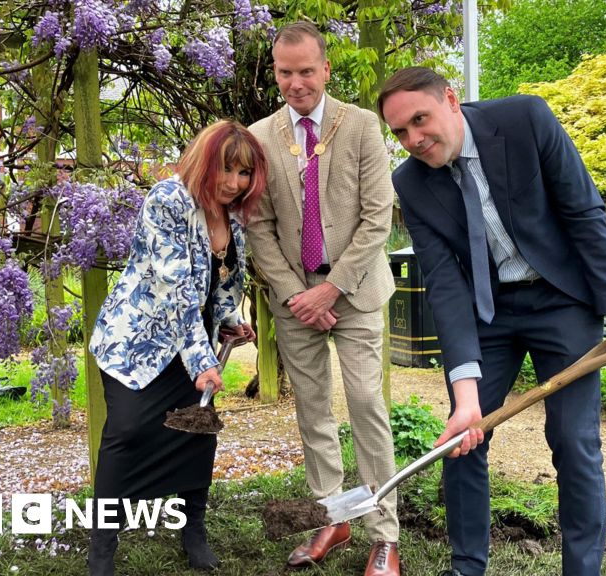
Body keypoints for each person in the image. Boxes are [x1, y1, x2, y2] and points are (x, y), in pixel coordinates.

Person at [378, 67, 606, 576]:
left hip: (561, 301)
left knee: (574, 441)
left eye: (420, 119)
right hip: (487, 310)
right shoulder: (410, 183)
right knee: (462, 439)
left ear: (451, 101)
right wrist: (465, 398)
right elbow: (443, 280)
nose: (413, 139)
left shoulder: (526, 119)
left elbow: (583, 213)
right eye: (400, 131)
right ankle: (466, 568)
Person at [246, 21, 400, 576]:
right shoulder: (260, 136)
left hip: (355, 293)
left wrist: (332, 289)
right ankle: (332, 518)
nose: (296, 83)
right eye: (285, 73)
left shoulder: (360, 126)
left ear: (325, 69)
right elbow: (258, 228)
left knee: (365, 404)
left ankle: (384, 533)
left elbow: (378, 217)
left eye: (306, 71)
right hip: (295, 300)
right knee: (312, 411)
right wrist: (298, 296)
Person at [87, 119, 266, 575]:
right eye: (226, 169)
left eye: (244, 173)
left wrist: (229, 322)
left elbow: (223, 284)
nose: (233, 182)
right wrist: (202, 360)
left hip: (193, 345)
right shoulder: (167, 200)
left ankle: (193, 530)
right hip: (139, 344)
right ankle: (102, 550)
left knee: (196, 437)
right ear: (204, 161)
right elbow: (174, 290)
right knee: (125, 432)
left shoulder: (234, 218)